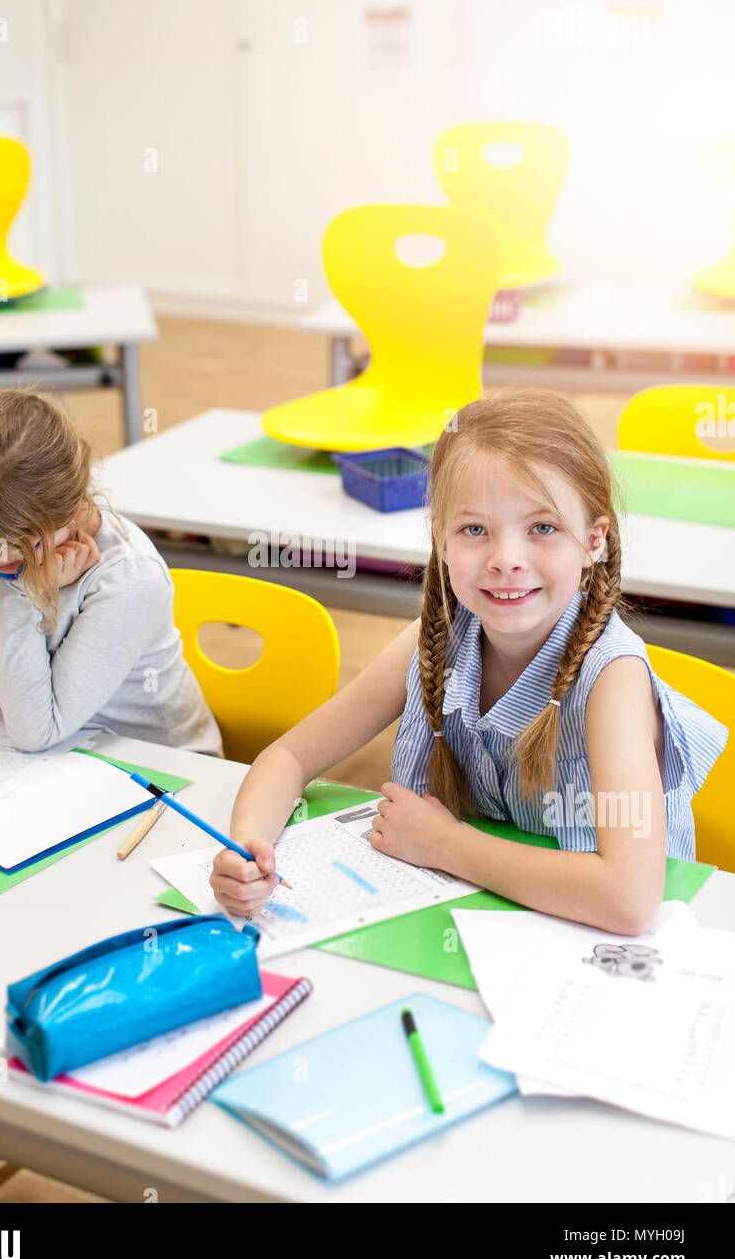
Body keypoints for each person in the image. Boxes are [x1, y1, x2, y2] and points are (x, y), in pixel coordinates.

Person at [0, 387, 222, 1201]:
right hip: (28, 776)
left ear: (50, 536)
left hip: (156, 787)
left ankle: (60, 1113)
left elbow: (42, 724)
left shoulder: (126, 577)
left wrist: (24, 599)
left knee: (51, 938)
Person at [210, 388, 728, 934]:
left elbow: (629, 900)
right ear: (441, 539)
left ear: (594, 541)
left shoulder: (612, 680)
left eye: (543, 528)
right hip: (480, 921)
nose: (506, 560)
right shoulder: (433, 642)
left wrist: (447, 845)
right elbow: (291, 756)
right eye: (474, 530)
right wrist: (247, 847)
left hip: (603, 951)